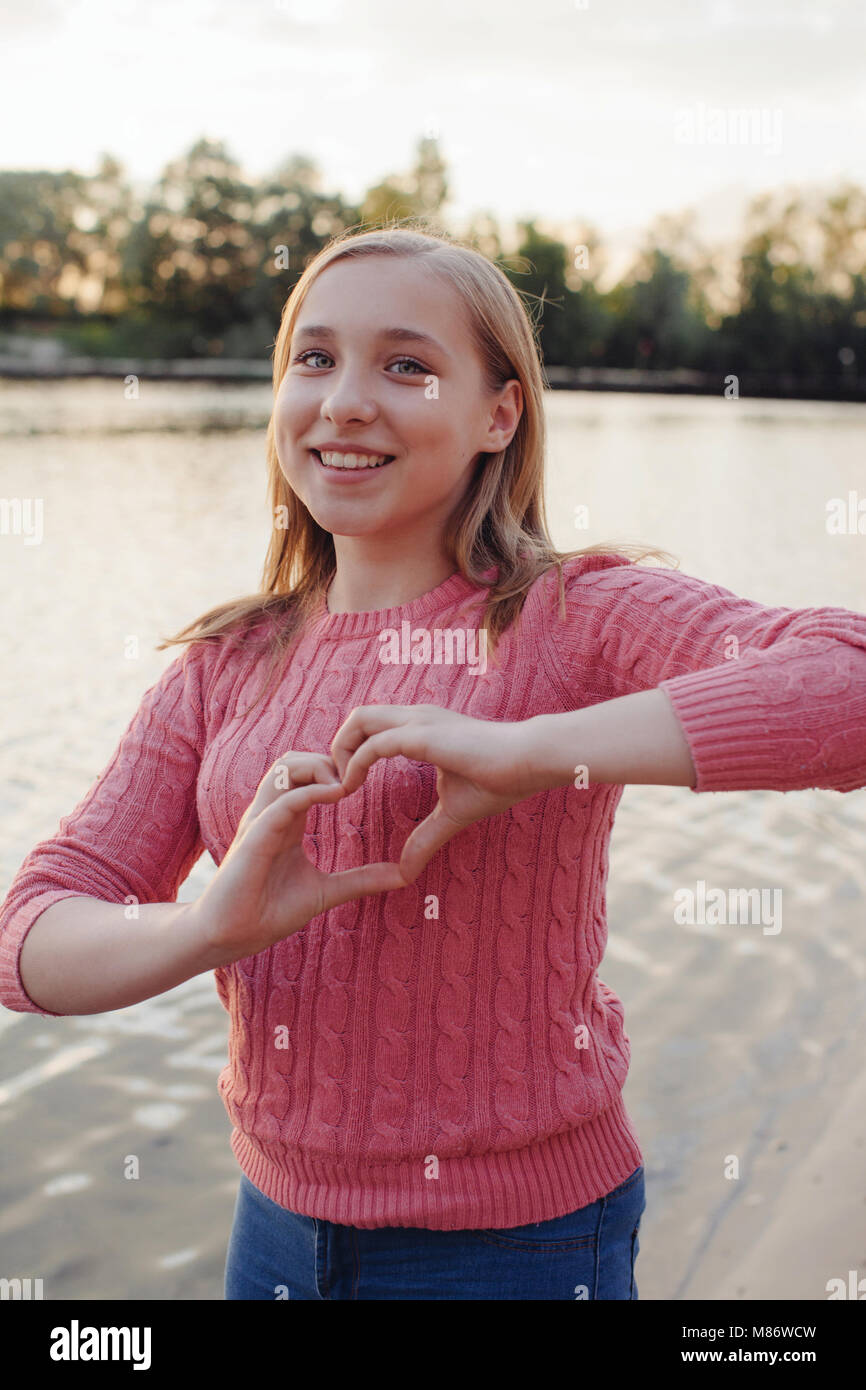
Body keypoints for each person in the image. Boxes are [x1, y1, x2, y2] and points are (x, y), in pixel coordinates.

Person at [2, 222, 865, 1302]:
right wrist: (208, 925)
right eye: (313, 359)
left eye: (405, 365)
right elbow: (32, 927)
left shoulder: (568, 615)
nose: (345, 400)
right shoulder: (227, 663)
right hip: (272, 1230)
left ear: (496, 414)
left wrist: (530, 751)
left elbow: (847, 676)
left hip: (519, 1246)